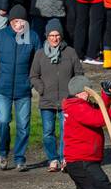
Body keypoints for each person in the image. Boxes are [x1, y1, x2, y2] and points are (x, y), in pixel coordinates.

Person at [0, 5, 35, 171]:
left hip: (23, 90)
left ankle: (20, 158)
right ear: (10, 21)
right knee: (4, 121)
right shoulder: (0, 36)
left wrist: (32, 81)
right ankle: (3, 152)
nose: (19, 24)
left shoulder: (32, 37)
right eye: (15, 21)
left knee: (23, 126)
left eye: (21, 21)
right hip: (3, 89)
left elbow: (38, 61)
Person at [29, 19, 83, 170]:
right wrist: (42, 89)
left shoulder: (70, 52)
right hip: (47, 100)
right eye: (51, 35)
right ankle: (53, 159)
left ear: (61, 36)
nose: (54, 38)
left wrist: (74, 93)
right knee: (48, 133)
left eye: (57, 35)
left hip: (67, 101)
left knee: (66, 132)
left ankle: (65, 158)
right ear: (46, 36)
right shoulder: (40, 54)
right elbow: (33, 76)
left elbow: (79, 74)